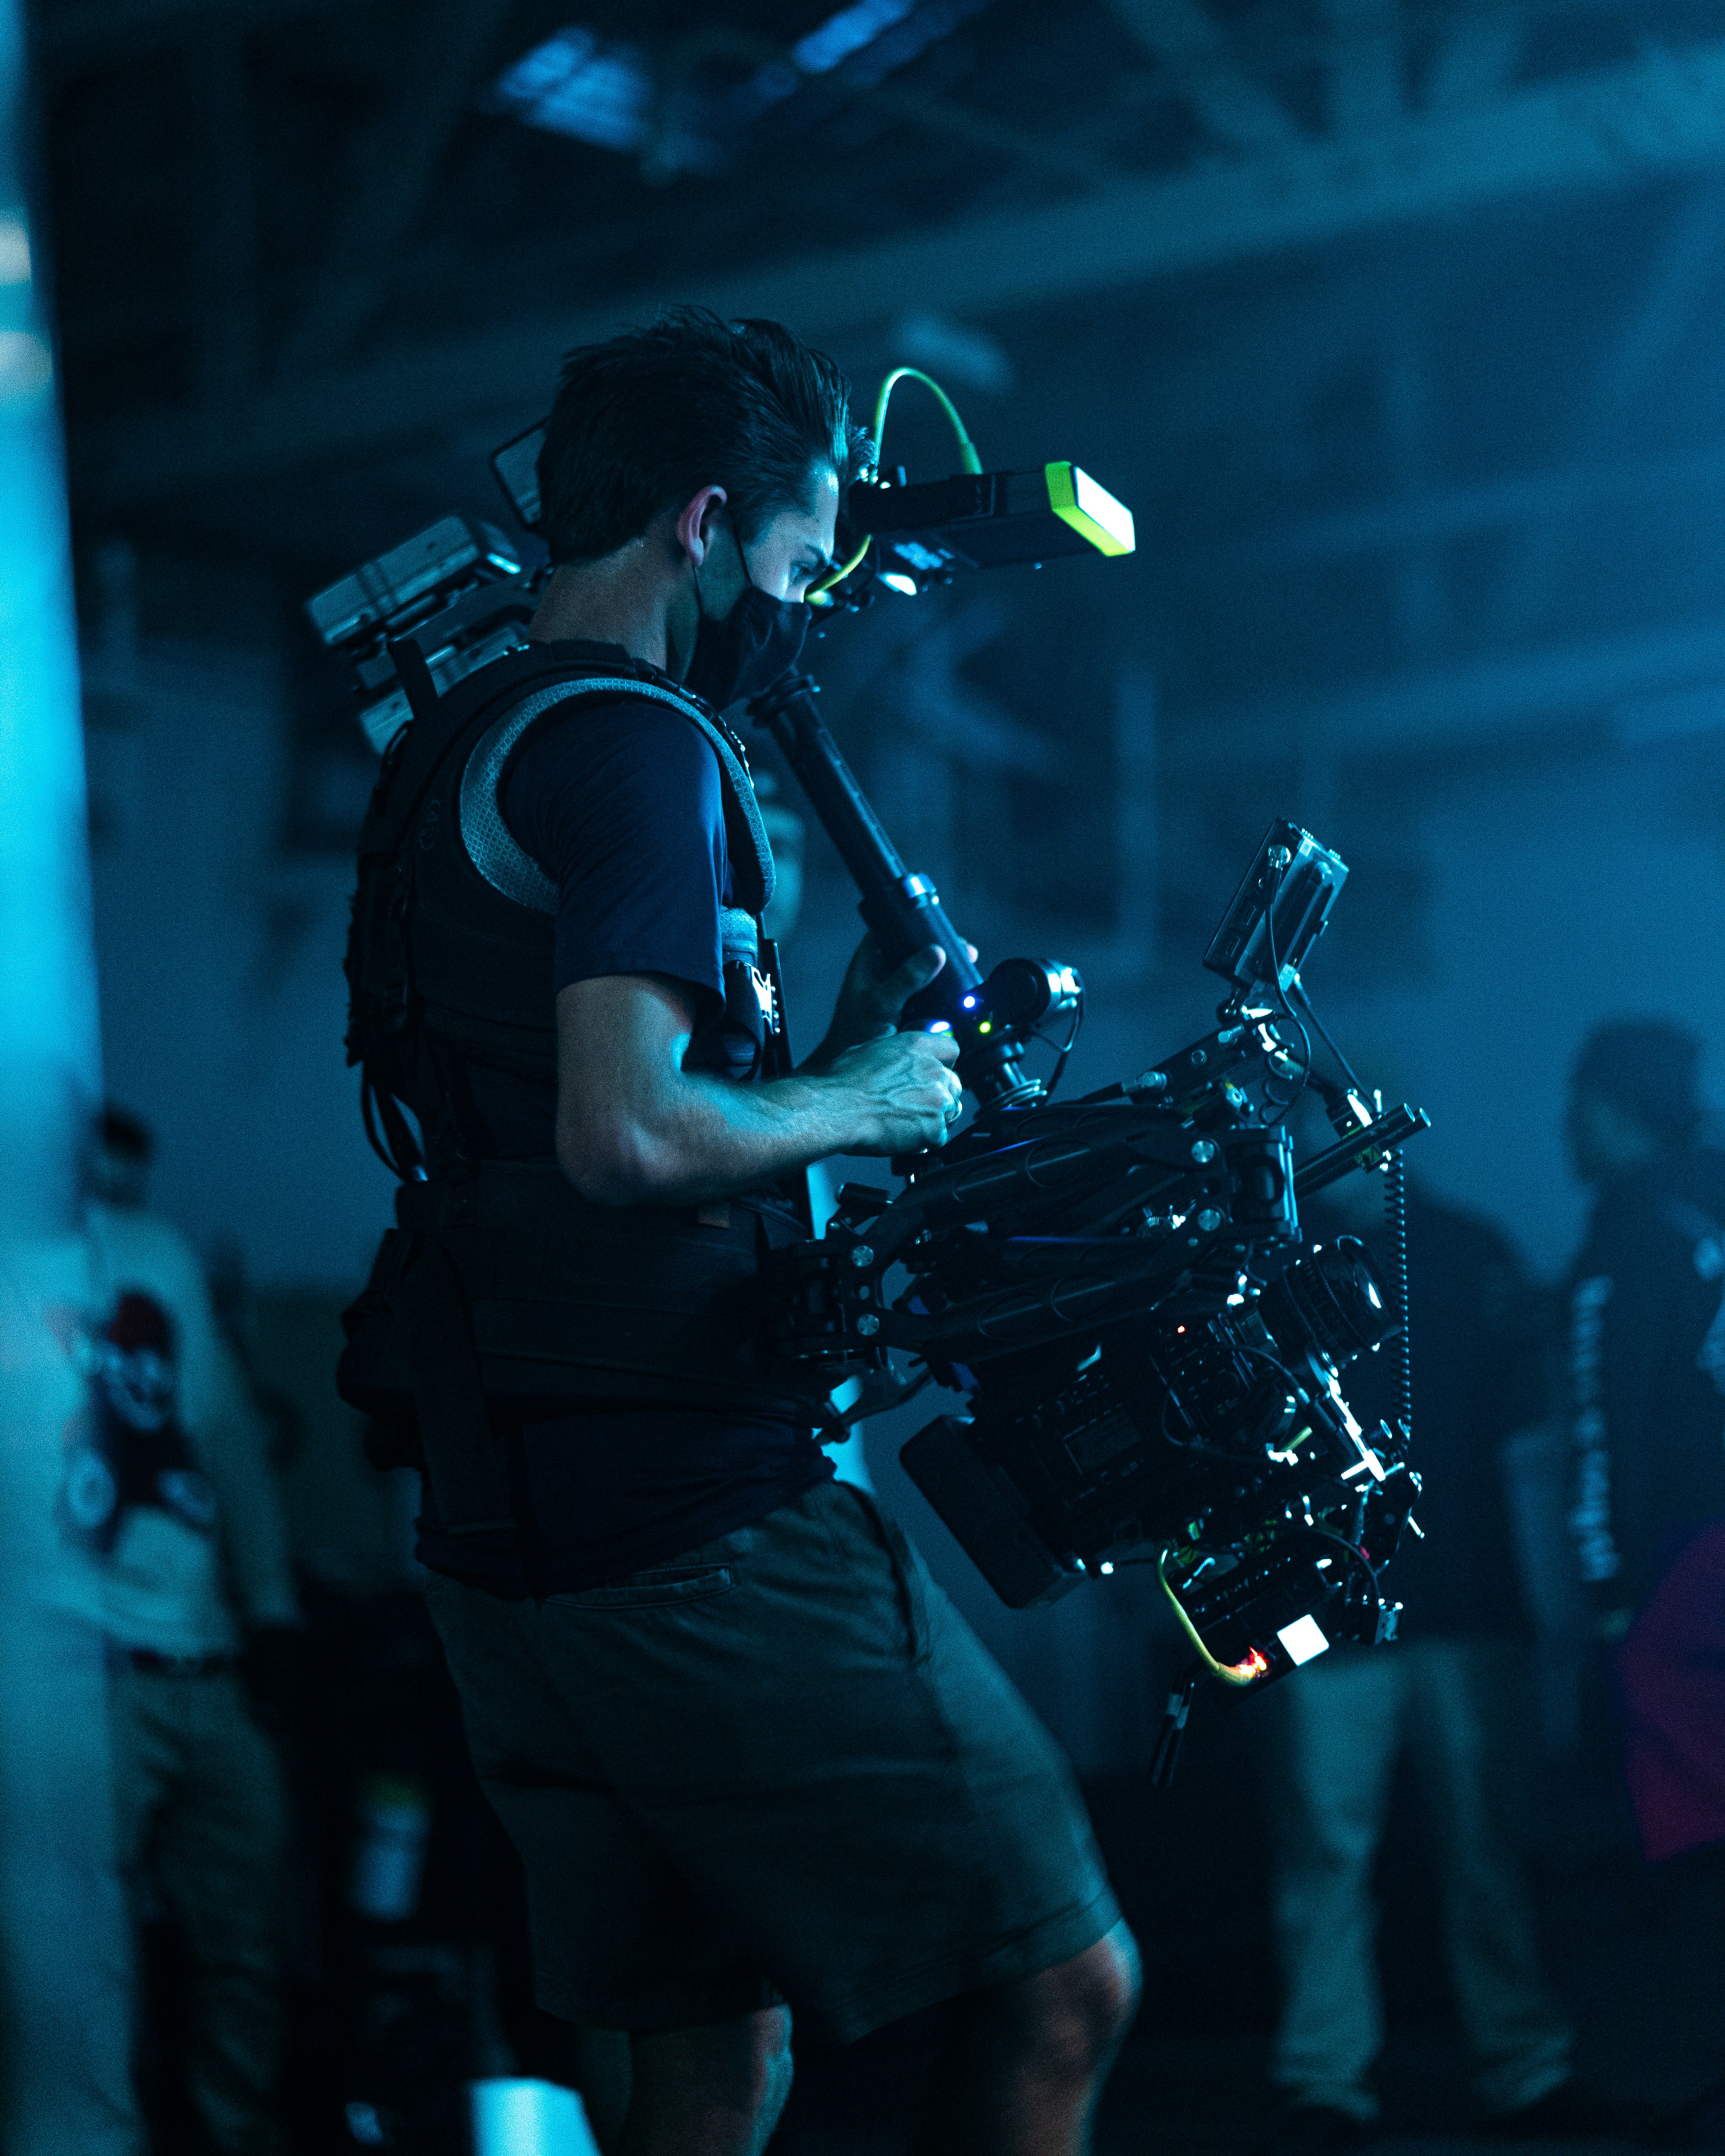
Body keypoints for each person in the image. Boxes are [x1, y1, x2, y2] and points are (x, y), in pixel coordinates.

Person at [339, 310, 1138, 2156]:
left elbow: (547, 1119)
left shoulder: (460, 744)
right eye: (792, 565)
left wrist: (835, 1044)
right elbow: (623, 1135)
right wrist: (874, 1097)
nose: (797, 610)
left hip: (506, 1540)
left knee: (700, 2067)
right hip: (692, 1530)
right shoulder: (638, 747)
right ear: (704, 524)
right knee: (1064, 1989)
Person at [1263, 1091, 1576, 2148]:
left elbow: (1529, 1431)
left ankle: (1513, 2064)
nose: (1328, 1146)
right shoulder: (1280, 1254)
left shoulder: (1459, 1248)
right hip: (1339, 1610)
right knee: (1328, 1852)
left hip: (1459, 1600)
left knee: (1477, 1847)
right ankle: (1329, 2078)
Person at [61, 1106, 302, 2156]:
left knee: (246, 1937)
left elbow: (228, 1438)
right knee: (84, 1950)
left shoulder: (155, 1254)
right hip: (77, 1674)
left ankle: (234, 2132)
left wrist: (274, 1607)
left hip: (206, 1660)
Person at [1563, 1021, 1725, 1871]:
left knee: (1686, 1800)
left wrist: (1607, 1585)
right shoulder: (1704, 1211)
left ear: (1610, 1107)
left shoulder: (1629, 1234)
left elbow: (1605, 1423)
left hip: (1682, 1555)